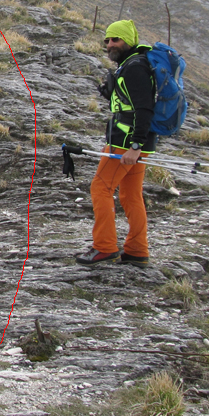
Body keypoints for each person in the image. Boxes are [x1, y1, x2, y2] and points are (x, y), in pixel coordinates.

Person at [75, 19, 155, 267]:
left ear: (128, 41)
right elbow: (133, 103)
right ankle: (137, 250)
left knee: (100, 188)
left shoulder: (134, 68)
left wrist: (135, 146)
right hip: (135, 141)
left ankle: (105, 247)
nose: (110, 44)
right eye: (107, 40)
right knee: (131, 195)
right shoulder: (133, 65)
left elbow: (144, 108)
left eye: (116, 39)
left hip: (126, 143)